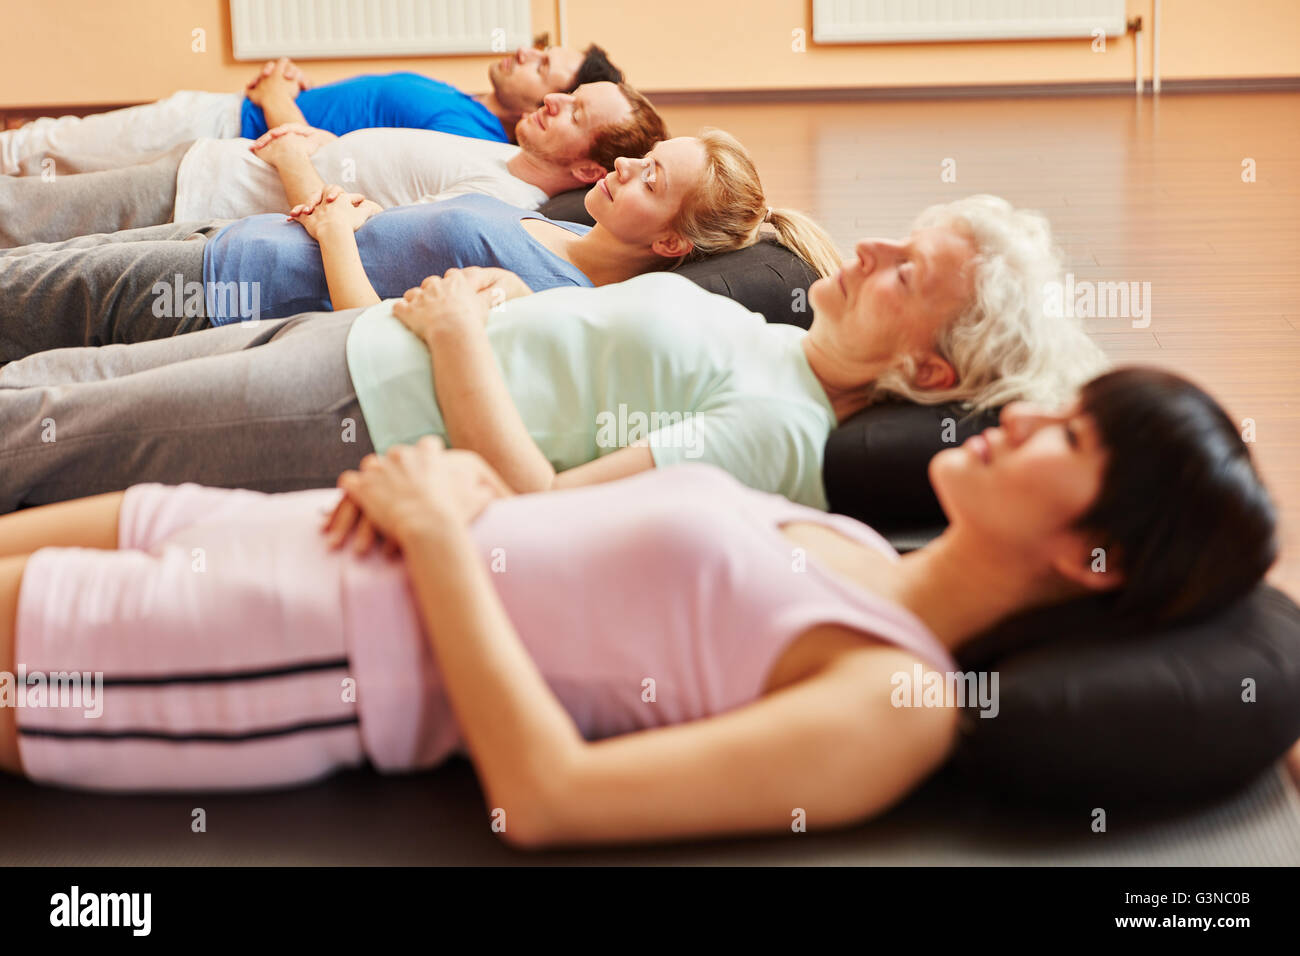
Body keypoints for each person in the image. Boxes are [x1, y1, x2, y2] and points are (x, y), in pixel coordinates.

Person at [0, 368, 1276, 849]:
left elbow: (544, 797)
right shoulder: (838, 535)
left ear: (1095, 558)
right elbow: (554, 529)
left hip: (285, 652)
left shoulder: (897, 698)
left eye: (1073, 437)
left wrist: (443, 538)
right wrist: (458, 479)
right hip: (269, 521)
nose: (1022, 418)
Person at [0, 195, 1101, 515]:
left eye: (908, 269)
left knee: (38, 443)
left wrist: (459, 335)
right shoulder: (780, 341)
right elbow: (587, 366)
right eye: (904, 233)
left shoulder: (781, 431)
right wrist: (503, 296)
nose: (873, 244)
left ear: (933, 371)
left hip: (343, 409)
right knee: (38, 393)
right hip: (353, 348)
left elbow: (539, 508)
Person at [0, 130, 834, 360]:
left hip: (235, 287)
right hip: (237, 238)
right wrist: (360, 217)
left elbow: (374, 328)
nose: (625, 171)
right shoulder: (570, 224)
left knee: (31, 299)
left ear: (674, 243)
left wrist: (333, 236)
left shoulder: (555, 295)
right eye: (644, 159)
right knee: (30, 276)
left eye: (652, 182)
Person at [0, 81, 667, 247]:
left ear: (586, 172)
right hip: (218, 164)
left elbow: (353, 230)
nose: (554, 101)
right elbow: (373, 176)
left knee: (24, 218)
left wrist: (293, 153)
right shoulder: (504, 153)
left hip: (206, 200)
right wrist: (319, 141)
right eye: (570, 96)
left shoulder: (491, 196)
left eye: (577, 113)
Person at [0, 47, 625, 175]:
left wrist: (277, 98)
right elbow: (354, 119)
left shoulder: (468, 134)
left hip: (228, 133)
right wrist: (300, 83)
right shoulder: (468, 105)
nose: (528, 57)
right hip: (226, 116)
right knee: (49, 148)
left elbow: (341, 161)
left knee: (47, 148)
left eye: (547, 68)